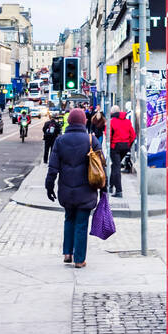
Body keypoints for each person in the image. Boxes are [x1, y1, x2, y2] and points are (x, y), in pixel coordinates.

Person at [45, 108, 101, 268]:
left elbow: (53, 167)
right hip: (86, 190)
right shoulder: (92, 140)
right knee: (81, 223)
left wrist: (49, 186)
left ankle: (67, 253)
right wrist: (104, 189)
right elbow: (101, 167)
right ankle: (79, 259)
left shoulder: (60, 141)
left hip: (66, 190)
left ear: (69, 121)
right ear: (84, 121)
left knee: (69, 219)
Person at [108, 108, 136, 199]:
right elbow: (133, 135)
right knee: (115, 165)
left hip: (115, 146)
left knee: (116, 167)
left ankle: (119, 190)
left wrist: (111, 145)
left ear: (112, 112)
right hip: (125, 146)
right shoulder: (127, 121)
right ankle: (110, 186)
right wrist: (128, 144)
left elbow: (108, 135)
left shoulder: (112, 121)